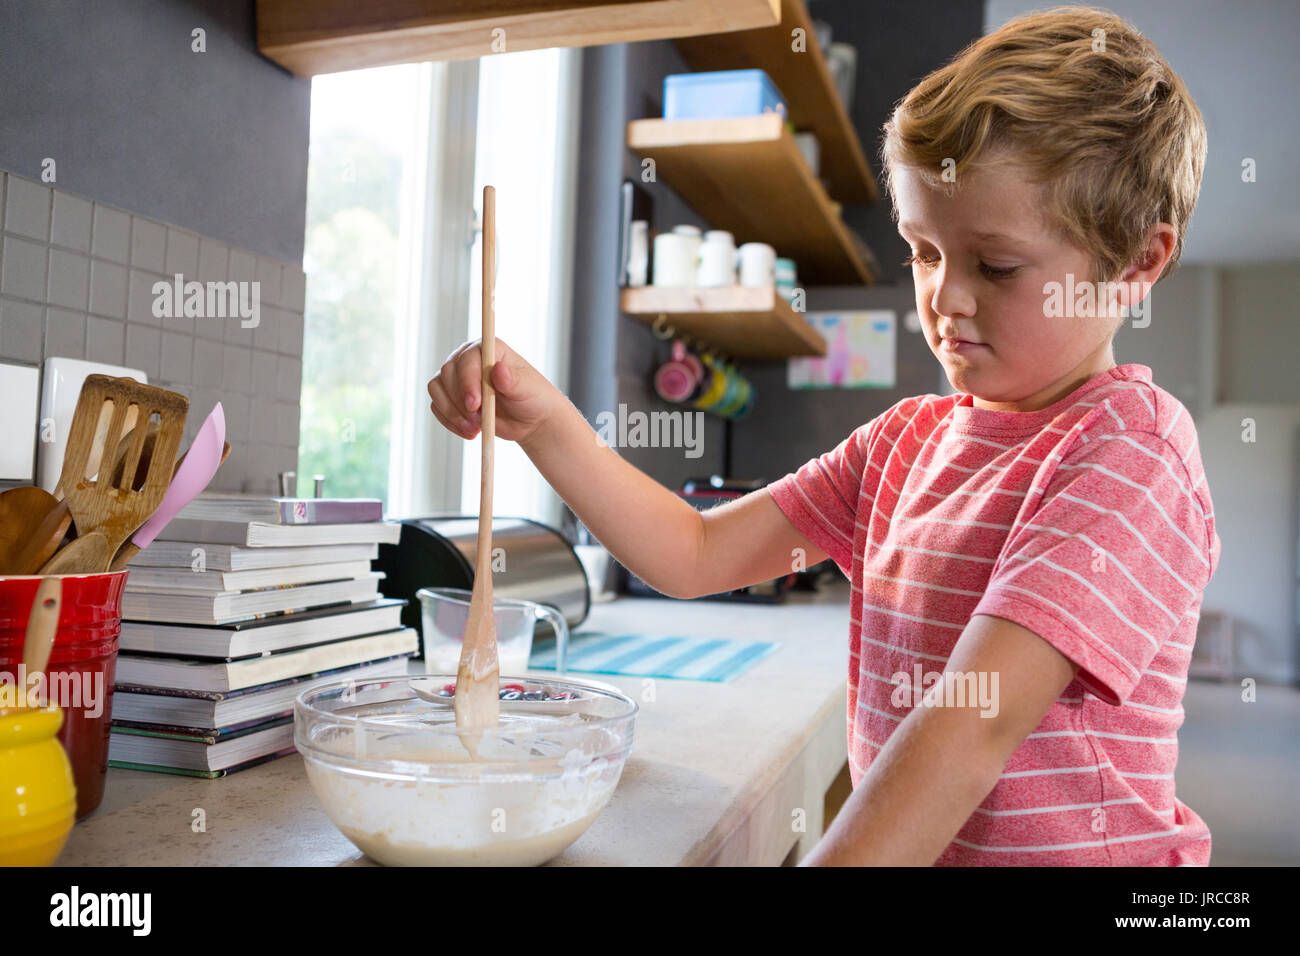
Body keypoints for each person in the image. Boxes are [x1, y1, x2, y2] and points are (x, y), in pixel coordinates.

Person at [427, 6, 1216, 865]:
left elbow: (974, 718)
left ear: (1137, 263)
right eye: (923, 251)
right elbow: (693, 552)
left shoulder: (1130, 450)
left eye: (995, 265)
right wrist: (547, 424)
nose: (944, 298)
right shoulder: (903, 444)